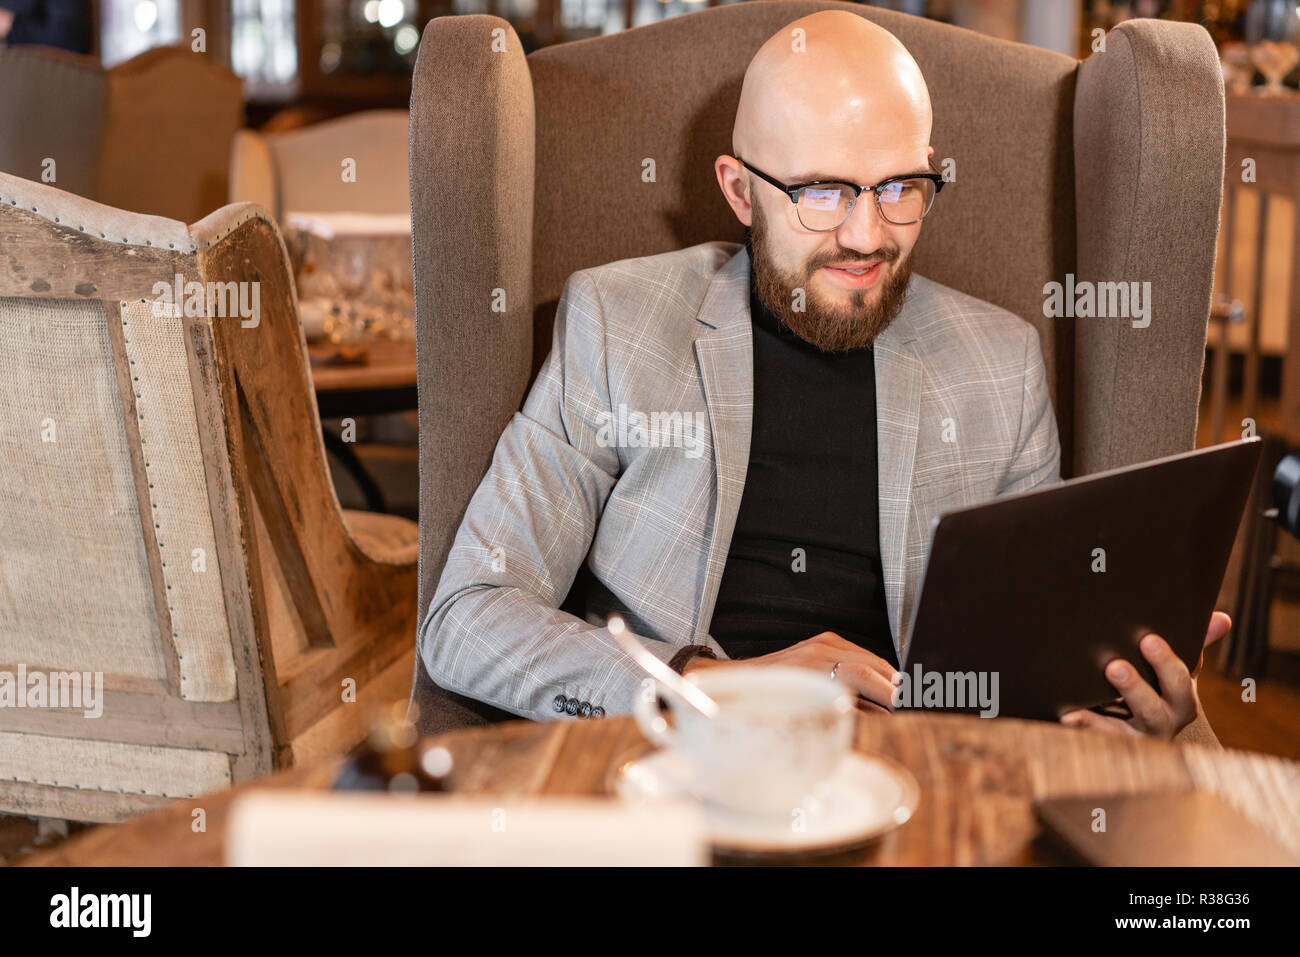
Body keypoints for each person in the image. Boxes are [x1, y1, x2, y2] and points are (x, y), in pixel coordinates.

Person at [421, 10, 1227, 741]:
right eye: (823, 191)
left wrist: (1118, 709)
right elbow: (468, 617)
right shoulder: (619, 323)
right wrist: (711, 685)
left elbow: (1030, 660)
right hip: (677, 767)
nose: (867, 235)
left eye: (901, 187)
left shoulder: (1001, 366)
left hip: (916, 781)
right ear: (740, 190)